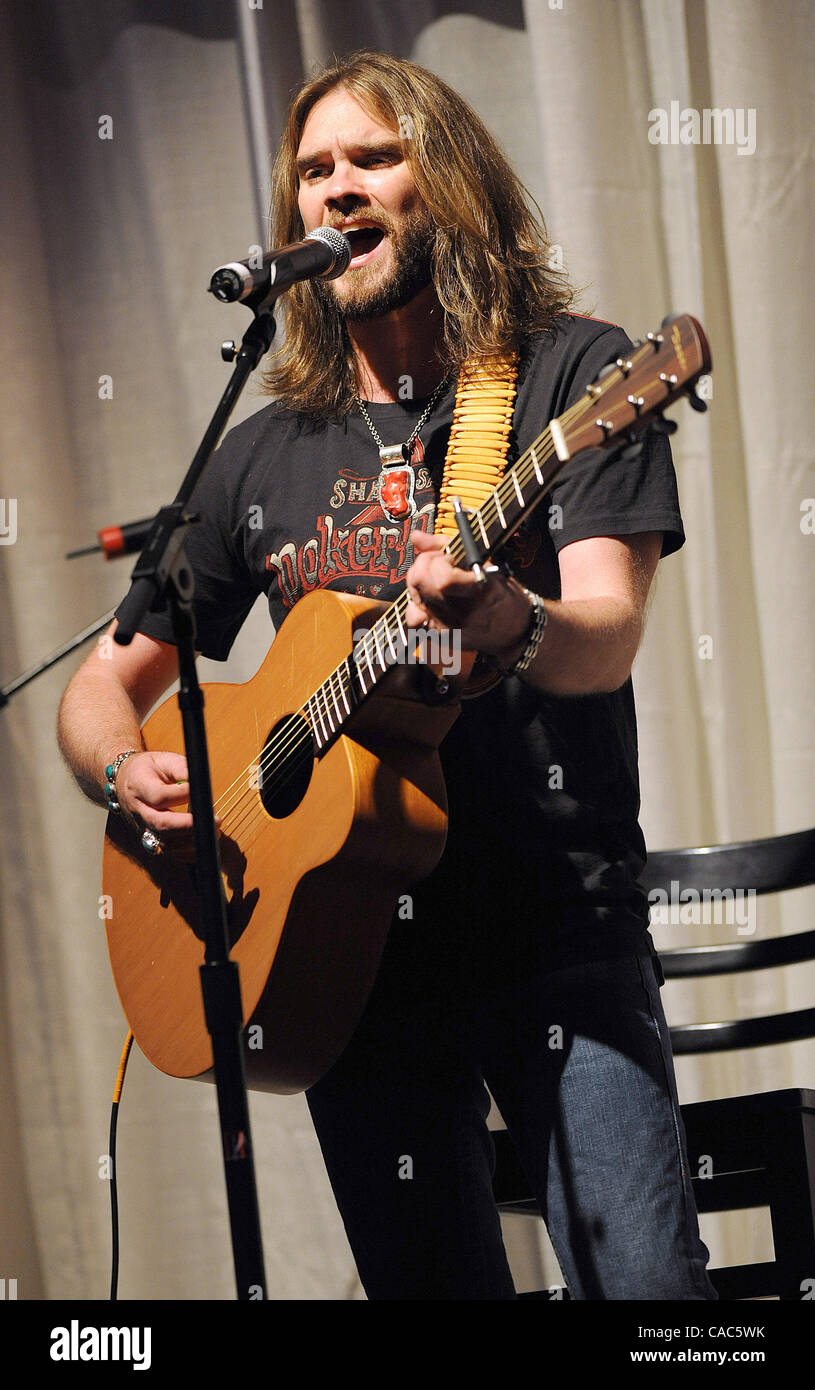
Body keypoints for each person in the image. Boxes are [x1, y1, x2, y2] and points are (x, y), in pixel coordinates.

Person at [58, 50, 717, 1301]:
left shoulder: (569, 378)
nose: (338, 191)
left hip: (551, 930)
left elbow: (606, 633)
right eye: (314, 170)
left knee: (648, 1300)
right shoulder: (261, 450)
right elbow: (97, 690)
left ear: (446, 181)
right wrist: (121, 767)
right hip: (337, 951)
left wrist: (508, 620)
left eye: (374, 158)